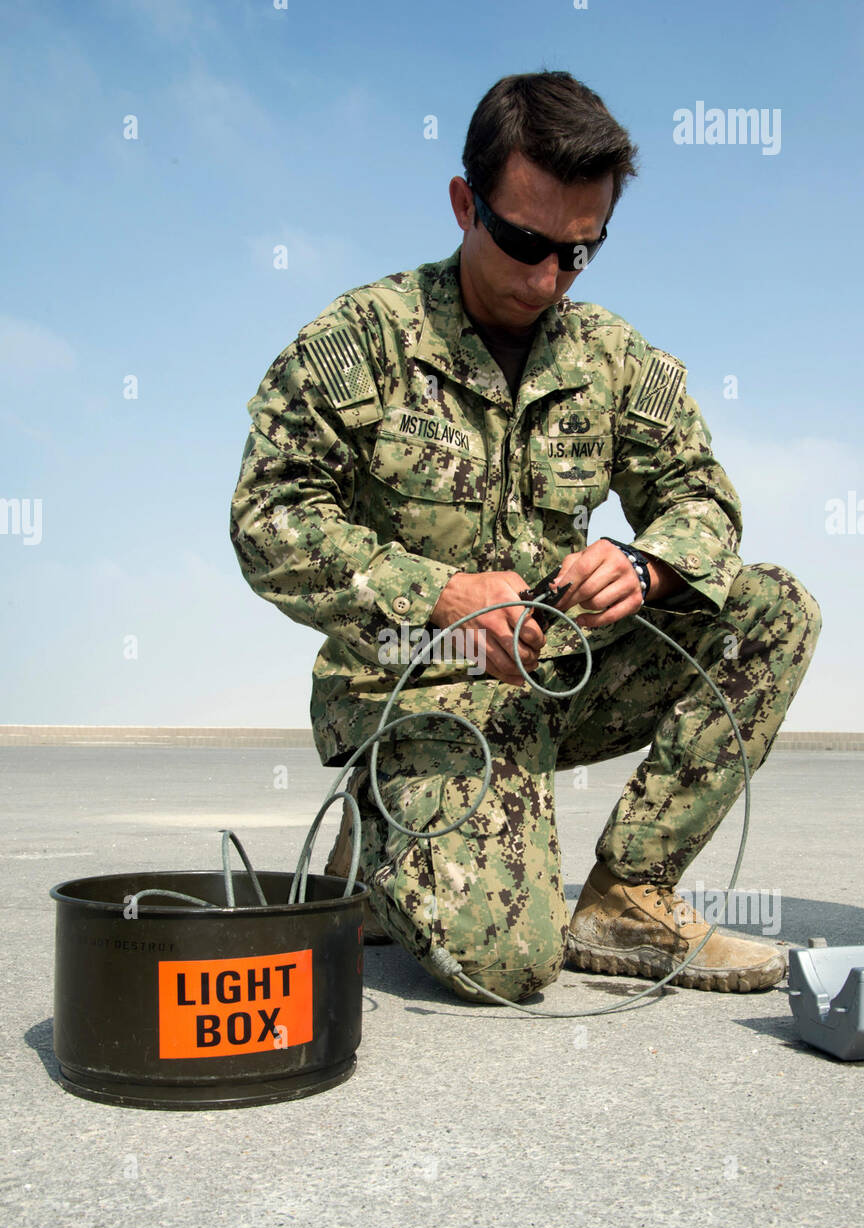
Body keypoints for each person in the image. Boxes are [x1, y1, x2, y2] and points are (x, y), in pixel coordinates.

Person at [230, 71, 821, 1004]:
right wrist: (434, 595)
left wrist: (646, 563)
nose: (548, 279)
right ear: (466, 203)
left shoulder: (612, 359)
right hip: (407, 686)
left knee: (772, 610)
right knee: (509, 966)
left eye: (580, 253)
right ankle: (383, 835)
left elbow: (701, 497)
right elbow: (268, 519)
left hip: (553, 674)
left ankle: (629, 892)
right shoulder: (364, 341)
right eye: (525, 243)